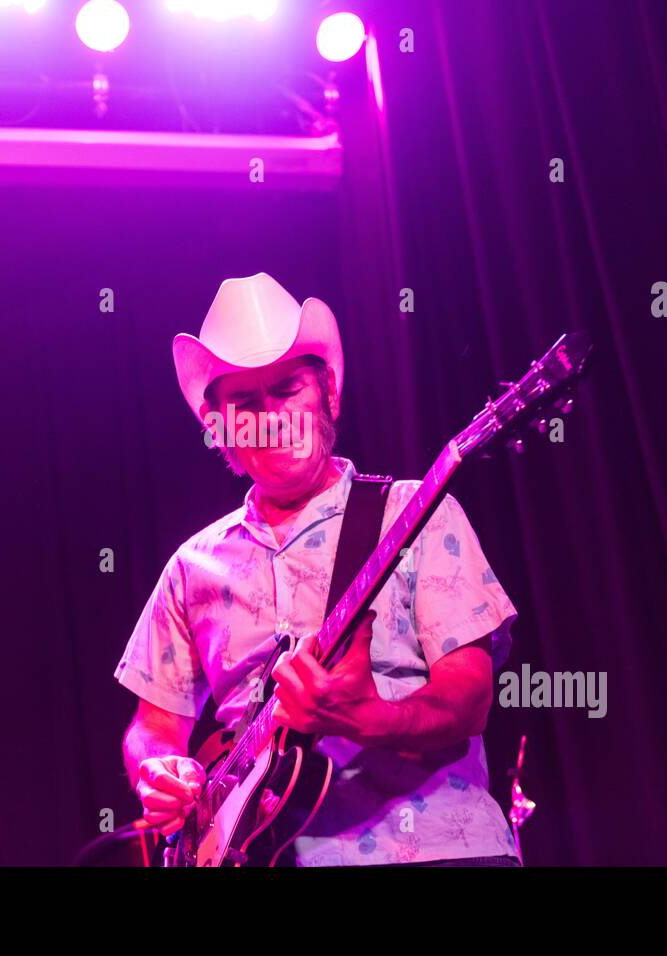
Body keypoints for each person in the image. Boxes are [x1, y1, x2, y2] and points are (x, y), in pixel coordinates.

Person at [114, 272, 521, 866]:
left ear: (328, 393)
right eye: (245, 404)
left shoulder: (419, 511)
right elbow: (153, 725)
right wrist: (158, 768)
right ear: (218, 426)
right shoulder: (190, 567)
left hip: (438, 849)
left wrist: (365, 718)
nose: (271, 418)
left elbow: (469, 700)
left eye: (288, 389)